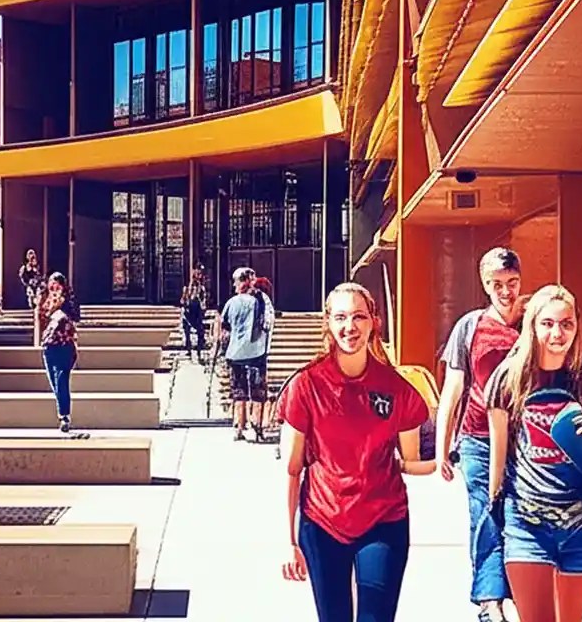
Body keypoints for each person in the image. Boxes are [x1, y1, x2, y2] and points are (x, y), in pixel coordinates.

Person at [279, 282, 435, 622]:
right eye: (341, 317)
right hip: (322, 519)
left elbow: (420, 460)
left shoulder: (398, 389)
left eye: (359, 317)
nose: (350, 327)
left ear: (373, 322)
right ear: (329, 324)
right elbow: (292, 470)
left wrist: (421, 461)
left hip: (384, 519)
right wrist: (287, 540)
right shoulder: (305, 385)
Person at [484, 284, 582, 622]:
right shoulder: (508, 378)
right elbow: (498, 462)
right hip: (527, 522)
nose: (557, 332)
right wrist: (494, 515)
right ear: (532, 325)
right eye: (548, 323)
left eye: (566, 324)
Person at [436, 247, 524, 622]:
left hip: (527, 441)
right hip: (477, 438)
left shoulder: (535, 321)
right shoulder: (470, 326)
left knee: (521, 513)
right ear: (485, 284)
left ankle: (522, 587)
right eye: (497, 284)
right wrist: (442, 448)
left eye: (512, 282)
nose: (505, 291)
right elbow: (453, 389)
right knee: (486, 513)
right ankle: (490, 600)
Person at [220, 267, 274, 442]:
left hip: (236, 353)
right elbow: (268, 323)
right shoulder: (261, 300)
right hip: (257, 352)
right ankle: (257, 427)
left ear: (242, 282)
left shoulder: (232, 302)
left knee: (238, 390)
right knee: (257, 391)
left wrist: (224, 348)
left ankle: (239, 426)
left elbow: (225, 328)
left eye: (236, 281)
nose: (234, 284)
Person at [34, 272, 86, 438]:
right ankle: (63, 413)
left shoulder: (68, 303)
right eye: (51, 285)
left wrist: (62, 306)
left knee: (61, 380)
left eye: (57, 285)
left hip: (65, 345)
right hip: (49, 347)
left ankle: (64, 416)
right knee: (54, 382)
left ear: (63, 286)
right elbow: (40, 321)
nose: (54, 288)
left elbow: (76, 318)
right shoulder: (44, 302)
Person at [179, 268, 209, 363]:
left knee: (200, 332)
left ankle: (199, 351)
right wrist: (185, 302)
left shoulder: (201, 289)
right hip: (188, 312)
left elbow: (203, 300)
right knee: (187, 330)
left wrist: (202, 305)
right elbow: (182, 300)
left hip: (196, 312)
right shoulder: (187, 289)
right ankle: (189, 349)